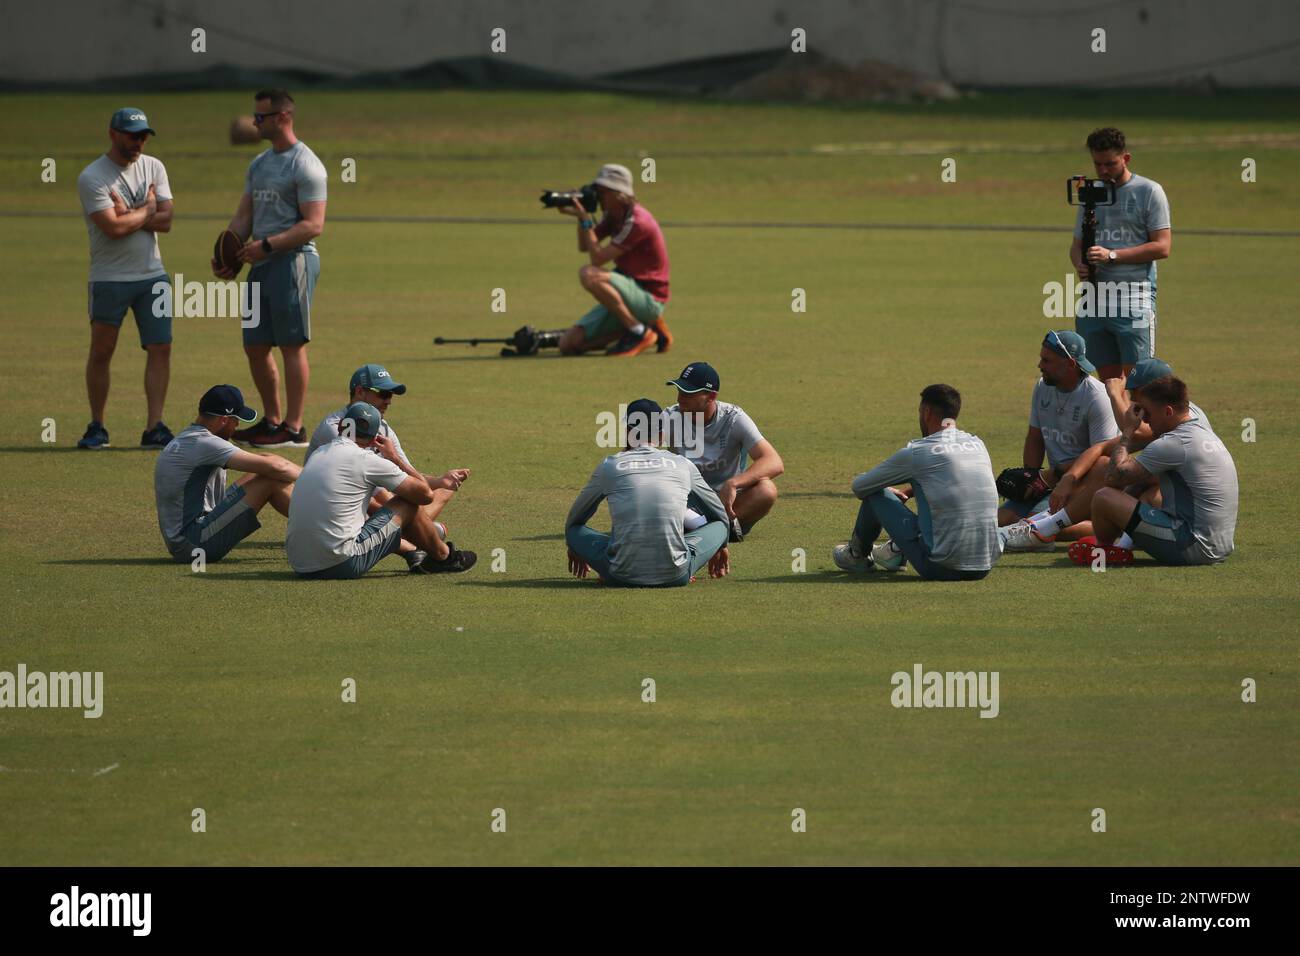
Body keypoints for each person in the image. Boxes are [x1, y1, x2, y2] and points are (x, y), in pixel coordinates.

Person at [213, 89, 327, 448]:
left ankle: (293, 428)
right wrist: (229, 250)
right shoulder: (259, 164)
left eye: (260, 117)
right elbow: (245, 215)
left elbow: (313, 224)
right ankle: (272, 420)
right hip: (260, 265)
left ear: (282, 117)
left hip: (292, 261)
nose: (254, 122)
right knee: (255, 346)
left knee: (292, 345)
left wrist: (266, 245)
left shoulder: (305, 164)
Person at [305, 364, 471, 569]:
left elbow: (406, 478)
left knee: (443, 490)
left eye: (391, 395)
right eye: (383, 394)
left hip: (309, 549)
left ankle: (418, 533)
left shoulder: (382, 428)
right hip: (345, 515)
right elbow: (407, 493)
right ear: (359, 392)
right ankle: (431, 547)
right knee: (407, 503)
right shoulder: (336, 429)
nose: (388, 401)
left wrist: (439, 481)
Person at [76, 107, 175, 450]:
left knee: (161, 348)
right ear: (113, 134)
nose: (139, 143)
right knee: (102, 351)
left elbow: (167, 220)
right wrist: (147, 209)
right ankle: (97, 426)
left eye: (144, 136)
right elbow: (113, 228)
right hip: (109, 277)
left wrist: (131, 214)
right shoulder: (93, 177)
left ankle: (154, 428)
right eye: (133, 136)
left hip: (153, 276)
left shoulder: (154, 167)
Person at [286, 403, 476, 578]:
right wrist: (394, 458)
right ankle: (443, 557)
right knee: (406, 503)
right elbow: (424, 495)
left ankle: (420, 544)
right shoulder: (367, 460)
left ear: (342, 425)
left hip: (298, 563)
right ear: (373, 440)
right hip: (340, 563)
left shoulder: (318, 453)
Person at [833, 384, 999, 581]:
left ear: (927, 412)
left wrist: (885, 488)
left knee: (876, 493)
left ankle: (856, 556)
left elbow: (860, 487)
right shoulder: (978, 445)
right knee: (933, 496)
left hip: (940, 567)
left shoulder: (918, 452)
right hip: (985, 566)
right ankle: (895, 552)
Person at [1072, 374, 1237, 566]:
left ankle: (1105, 550)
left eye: (1148, 413)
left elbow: (1112, 477)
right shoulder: (1200, 428)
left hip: (1194, 547)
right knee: (1150, 495)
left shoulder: (1173, 443)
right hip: (1219, 545)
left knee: (1104, 497)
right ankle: (1122, 547)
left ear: (1168, 412)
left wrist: (1127, 431)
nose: (1146, 421)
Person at [565, 398, 730, 587]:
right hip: (676, 575)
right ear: (661, 434)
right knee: (720, 527)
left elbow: (574, 521)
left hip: (618, 575)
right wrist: (722, 545)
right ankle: (683, 565)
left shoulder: (609, 466)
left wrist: (576, 546)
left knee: (574, 531)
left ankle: (610, 565)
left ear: (627, 432)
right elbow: (720, 515)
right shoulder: (683, 464)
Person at [998, 331, 1119, 551]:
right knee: (1002, 519)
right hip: (1051, 480)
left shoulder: (1097, 397)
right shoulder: (1043, 387)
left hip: (1082, 483)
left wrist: (1057, 476)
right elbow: (1035, 437)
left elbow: (1104, 459)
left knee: (1035, 527)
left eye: (1047, 360)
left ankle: (1113, 524)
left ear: (1070, 364)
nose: (1040, 365)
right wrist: (1031, 478)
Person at [1070, 126, 1171, 381]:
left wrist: (1111, 256)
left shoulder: (1148, 191)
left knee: (1139, 383)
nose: (1103, 171)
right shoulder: (1090, 194)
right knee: (1107, 385)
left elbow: (1162, 246)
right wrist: (1080, 264)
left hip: (1133, 298)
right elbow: (1076, 246)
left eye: (1110, 164)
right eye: (1097, 164)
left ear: (1126, 158)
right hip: (1094, 298)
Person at [154, 385, 298, 562]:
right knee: (270, 479)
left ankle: (327, 523)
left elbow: (267, 462)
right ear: (223, 420)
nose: (237, 425)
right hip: (195, 544)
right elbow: (277, 467)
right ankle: (326, 527)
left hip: (187, 539)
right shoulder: (205, 443)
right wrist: (316, 477)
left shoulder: (189, 437)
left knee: (263, 464)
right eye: (235, 419)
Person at [556, 164, 673, 357]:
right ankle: (644, 328)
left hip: (648, 297)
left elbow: (597, 259)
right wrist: (580, 217)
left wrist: (586, 219)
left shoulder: (637, 221)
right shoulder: (613, 214)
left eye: (603, 192)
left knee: (589, 274)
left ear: (619, 193)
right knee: (568, 345)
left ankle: (639, 331)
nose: (598, 196)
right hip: (625, 294)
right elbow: (585, 246)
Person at [662, 362, 783, 542]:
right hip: (688, 504)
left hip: (728, 503)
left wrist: (733, 484)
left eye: (689, 393)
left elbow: (773, 461)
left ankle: (706, 530)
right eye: (680, 391)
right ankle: (718, 530)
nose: (681, 398)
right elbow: (639, 449)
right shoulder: (670, 417)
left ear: (711, 396)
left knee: (766, 490)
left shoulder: (733, 417)